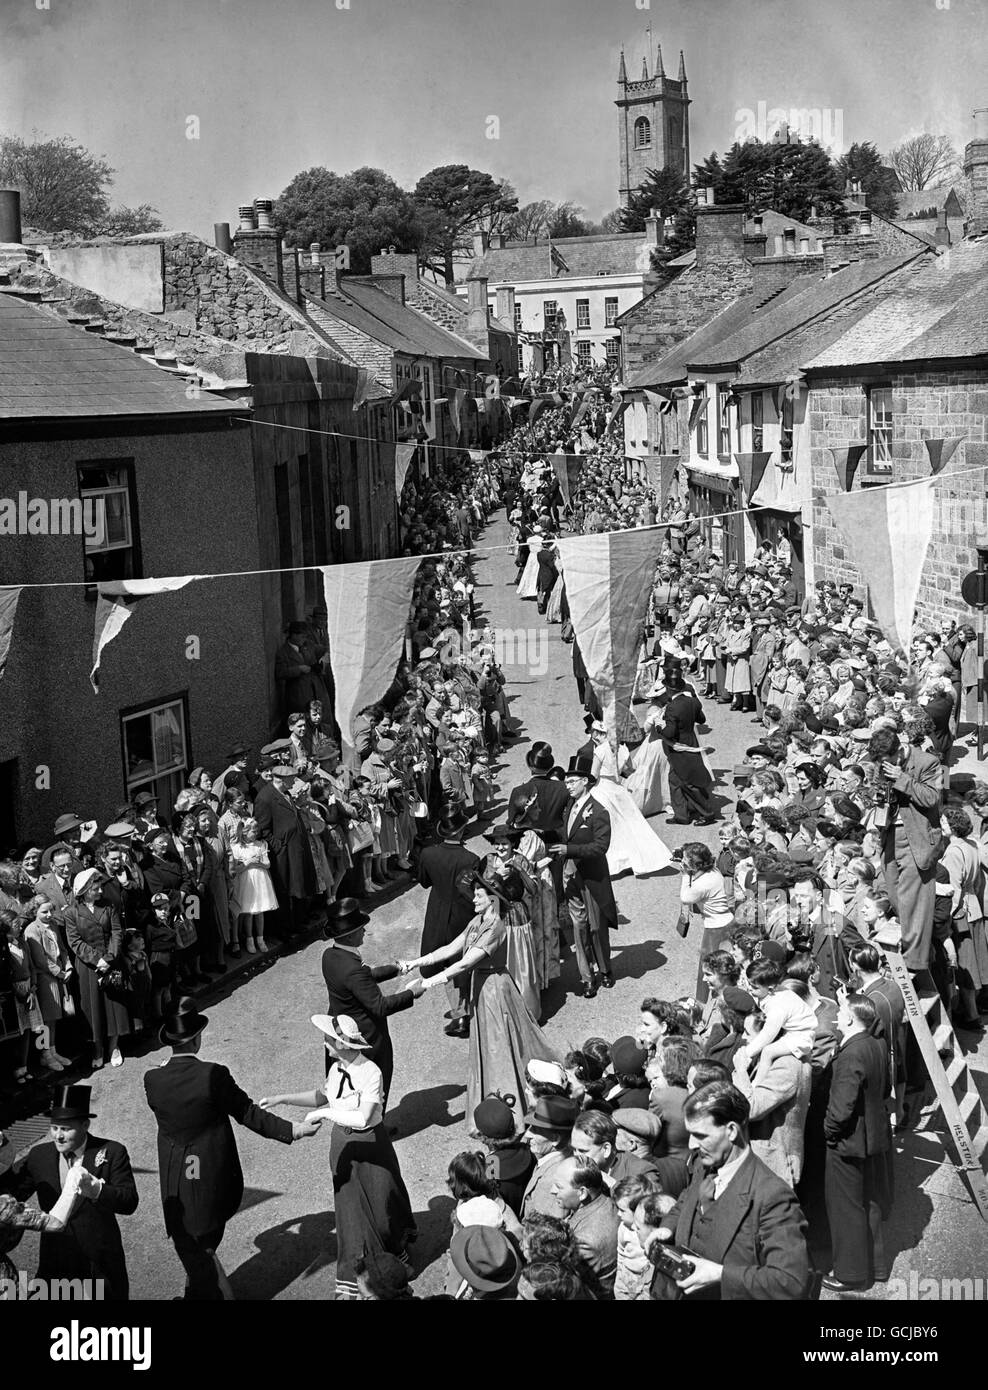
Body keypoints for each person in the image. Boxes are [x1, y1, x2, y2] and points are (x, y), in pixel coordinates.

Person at [144, 997, 319, 1300]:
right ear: (196, 1039)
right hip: (207, 1172)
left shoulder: (153, 1079)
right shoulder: (213, 1075)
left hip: (177, 1177)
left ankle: (197, 1291)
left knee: (196, 1250)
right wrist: (292, 1130)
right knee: (204, 1253)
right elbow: (248, 1113)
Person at [261, 1014, 416, 1301]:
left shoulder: (371, 1072)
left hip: (371, 1145)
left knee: (382, 1204)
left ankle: (390, 1265)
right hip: (343, 1145)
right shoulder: (336, 1068)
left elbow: (364, 1117)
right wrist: (282, 1098)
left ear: (343, 1044)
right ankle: (355, 1278)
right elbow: (322, 1096)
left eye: (329, 1039)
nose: (325, 1043)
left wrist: (323, 1114)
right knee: (350, 1214)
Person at [400, 870, 560, 1134]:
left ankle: (509, 1110)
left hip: (495, 990)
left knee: (499, 1048)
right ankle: (492, 1105)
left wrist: (427, 984)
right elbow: (450, 949)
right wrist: (414, 963)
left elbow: (466, 961)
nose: (473, 899)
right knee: (488, 1045)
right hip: (480, 989)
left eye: (478, 895)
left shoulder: (496, 926)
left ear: (493, 899)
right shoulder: (476, 921)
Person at [644, 1081, 812, 1300]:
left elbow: (790, 1281)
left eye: (701, 1135)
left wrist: (720, 1274)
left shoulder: (772, 1196)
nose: (692, 1145)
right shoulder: (704, 1164)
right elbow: (687, 1199)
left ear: (732, 1130)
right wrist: (667, 1227)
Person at [1, 1084, 138, 1300]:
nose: (58, 1136)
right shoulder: (39, 1156)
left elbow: (129, 1201)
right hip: (56, 1260)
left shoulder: (112, 1151)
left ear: (85, 1125)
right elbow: (11, 1191)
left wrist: (97, 1190)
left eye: (65, 1129)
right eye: (54, 1128)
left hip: (99, 1260)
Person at [322, 897, 425, 1108]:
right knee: (374, 1088)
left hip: (339, 1031)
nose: (364, 932)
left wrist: (396, 969)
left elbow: (365, 976)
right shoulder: (353, 970)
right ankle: (375, 1132)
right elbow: (380, 1006)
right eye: (360, 929)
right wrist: (411, 993)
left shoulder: (330, 956)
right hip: (365, 1038)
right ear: (350, 936)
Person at [822, 992, 893, 1292]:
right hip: (874, 1137)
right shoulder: (876, 1044)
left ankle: (850, 1274)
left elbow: (841, 1108)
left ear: (851, 1018)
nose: (837, 1016)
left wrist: (829, 1132)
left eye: (840, 1011)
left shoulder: (851, 1053)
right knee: (870, 1202)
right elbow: (886, 1087)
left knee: (845, 1208)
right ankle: (876, 1267)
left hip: (848, 1143)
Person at [869, 727, 943, 974]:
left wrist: (902, 778)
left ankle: (914, 962)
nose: (885, 766)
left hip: (918, 837)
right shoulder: (884, 764)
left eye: (888, 761)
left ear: (899, 752)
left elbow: (932, 798)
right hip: (891, 832)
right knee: (893, 891)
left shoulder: (928, 762)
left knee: (915, 901)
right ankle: (917, 945)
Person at [549, 753, 618, 998]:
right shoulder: (569, 806)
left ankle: (606, 968)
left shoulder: (599, 812)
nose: (567, 786)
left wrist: (570, 850)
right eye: (567, 782)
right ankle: (587, 977)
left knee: (596, 927)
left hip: (592, 877)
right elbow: (564, 832)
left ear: (585, 782)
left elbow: (601, 847)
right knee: (578, 926)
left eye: (572, 782)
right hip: (571, 874)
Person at [417, 806, 480, 1039]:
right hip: (462, 916)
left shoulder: (428, 854)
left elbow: (424, 882)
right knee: (462, 962)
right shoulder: (471, 859)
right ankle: (466, 1011)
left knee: (443, 962)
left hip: (436, 913)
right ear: (462, 830)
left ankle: (459, 1013)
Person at [64, 868, 130, 1070]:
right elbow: (74, 942)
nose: (100, 891)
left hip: (111, 961)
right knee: (93, 1009)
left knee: (114, 1007)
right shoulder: (71, 913)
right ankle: (98, 1050)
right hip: (88, 967)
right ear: (84, 891)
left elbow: (117, 932)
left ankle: (114, 1048)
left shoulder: (108, 906)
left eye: (100, 886)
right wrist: (97, 961)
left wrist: (109, 958)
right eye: (95, 888)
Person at [550, 1154, 620, 1298]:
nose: (552, 1190)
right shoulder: (605, 1200)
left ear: (582, 1193)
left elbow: (564, 1286)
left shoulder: (584, 1241)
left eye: (559, 1187)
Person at [520, 1095, 580, 1219]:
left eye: (535, 1129)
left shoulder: (552, 1179)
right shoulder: (564, 1157)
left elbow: (545, 1231)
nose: (527, 1134)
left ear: (555, 1139)